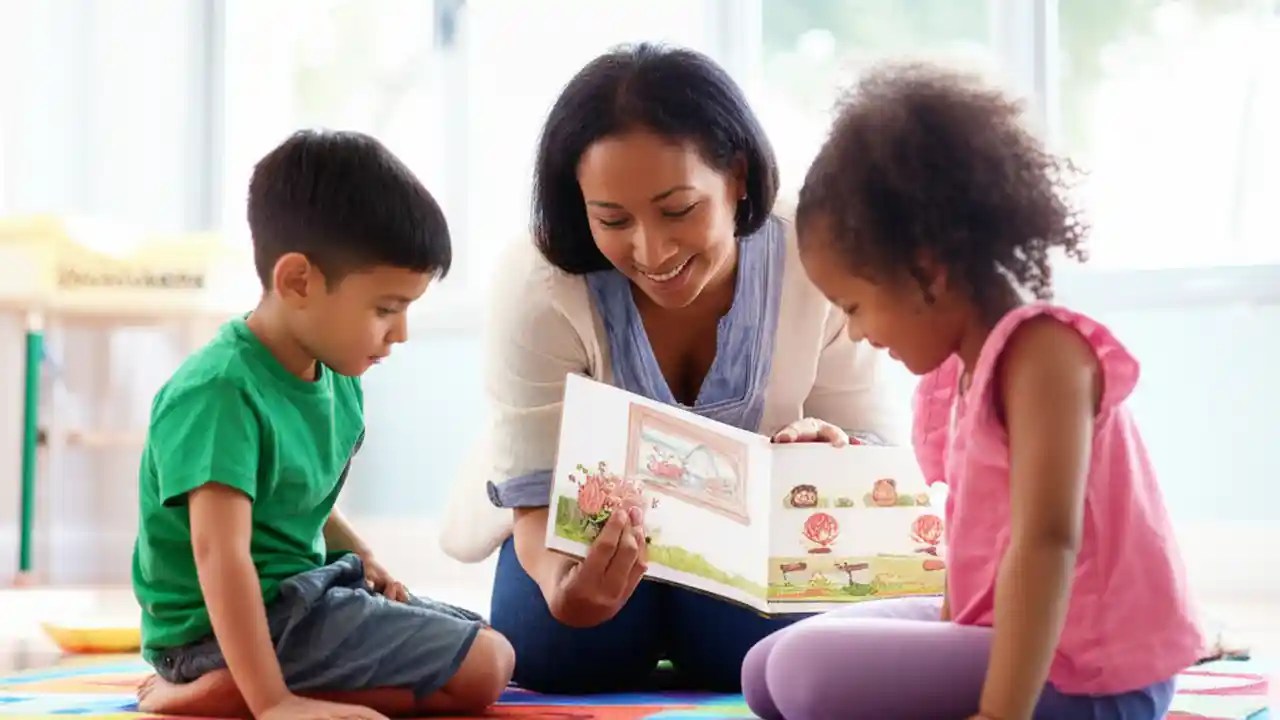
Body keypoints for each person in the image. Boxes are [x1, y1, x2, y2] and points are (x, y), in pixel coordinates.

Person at [740, 63, 1204, 720]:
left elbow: (1047, 543)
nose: (858, 333)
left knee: (800, 674)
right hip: (1001, 637)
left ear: (926, 270)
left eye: (855, 305)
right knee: (763, 671)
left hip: (1085, 671)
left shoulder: (1044, 355)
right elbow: (973, 537)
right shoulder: (962, 365)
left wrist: (998, 712)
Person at [437, 43, 903, 693]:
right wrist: (562, 588)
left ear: (737, 177)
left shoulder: (812, 250)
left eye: (679, 210)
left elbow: (867, 436)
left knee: (770, 654)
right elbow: (536, 500)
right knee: (554, 653)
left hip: (753, 538)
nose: (651, 250)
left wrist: (831, 448)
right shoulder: (539, 280)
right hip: (578, 533)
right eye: (612, 219)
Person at [131, 130, 514, 720]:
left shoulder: (333, 372)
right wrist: (274, 704)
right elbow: (219, 554)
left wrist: (360, 554)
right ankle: (232, 691)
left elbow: (288, 494)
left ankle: (237, 691)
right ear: (298, 282)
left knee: (479, 639)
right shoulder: (218, 392)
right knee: (486, 664)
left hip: (302, 597)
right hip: (217, 630)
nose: (401, 334)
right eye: (386, 309)